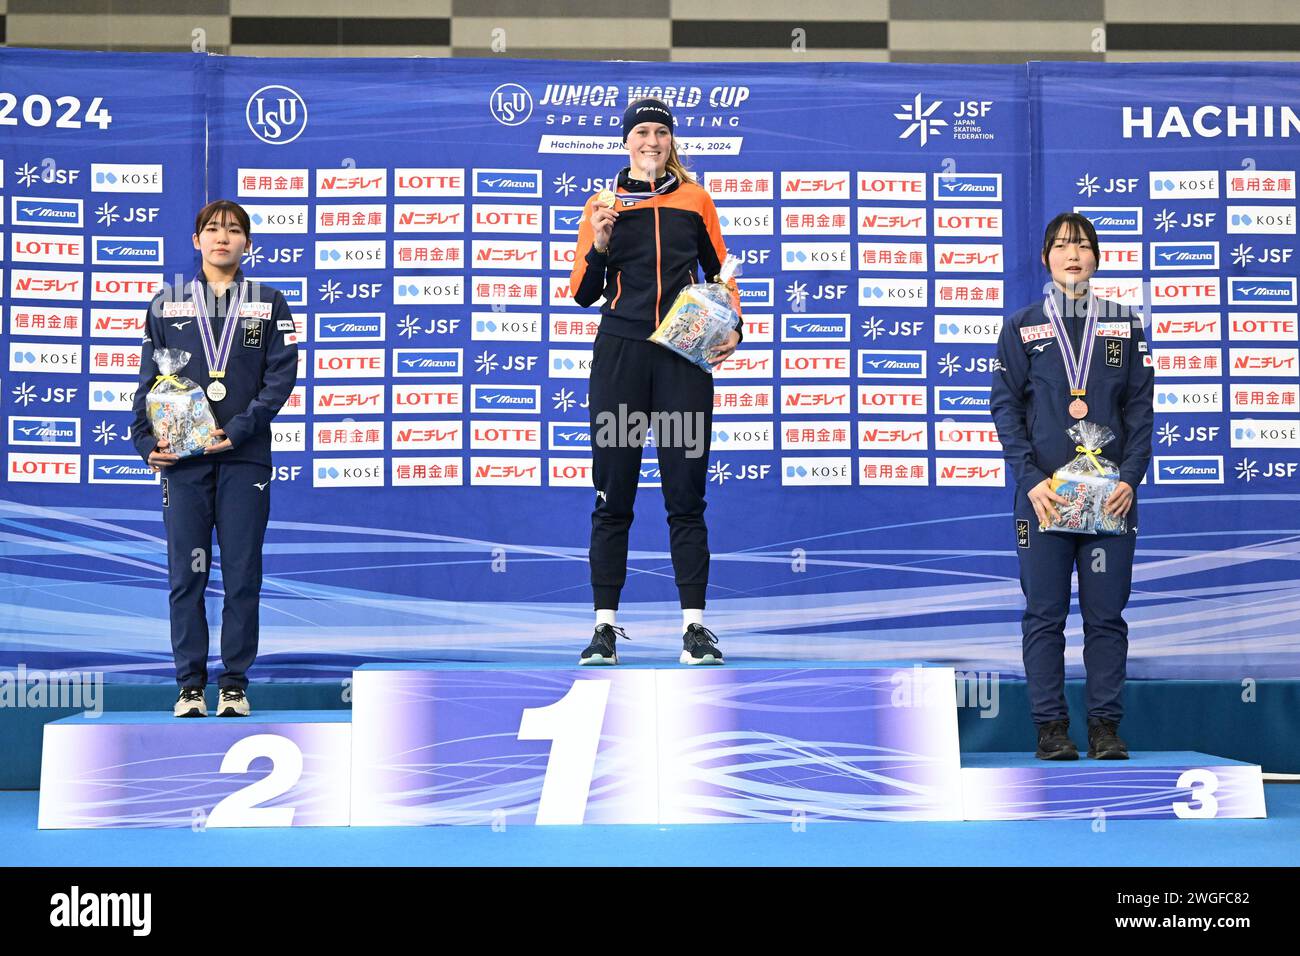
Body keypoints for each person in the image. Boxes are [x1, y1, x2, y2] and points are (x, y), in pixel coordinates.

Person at [569, 98, 743, 666]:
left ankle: (694, 628)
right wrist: (599, 242)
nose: (651, 141)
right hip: (620, 357)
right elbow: (583, 292)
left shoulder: (695, 200)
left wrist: (734, 326)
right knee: (613, 496)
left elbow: (720, 274)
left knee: (685, 496)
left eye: (660, 133)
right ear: (627, 142)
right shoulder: (601, 204)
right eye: (641, 132)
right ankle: (603, 629)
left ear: (671, 142)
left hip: (680, 359)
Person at [990, 212, 1154, 760]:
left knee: (1106, 616)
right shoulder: (1021, 327)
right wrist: (1031, 481)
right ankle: (1050, 729)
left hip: (1111, 500)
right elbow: (1005, 410)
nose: (1073, 253)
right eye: (1062, 245)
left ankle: (1105, 727)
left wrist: (1129, 480)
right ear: (1045, 258)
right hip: (1045, 501)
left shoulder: (1125, 325)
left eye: (1082, 244)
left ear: (1097, 256)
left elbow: (1140, 413)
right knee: (1045, 614)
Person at [130, 199, 298, 717]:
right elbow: (147, 383)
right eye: (211, 229)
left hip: (244, 459)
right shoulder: (167, 304)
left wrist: (239, 431)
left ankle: (234, 683)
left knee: (242, 573)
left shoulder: (269, 303)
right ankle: (188, 684)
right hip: (184, 462)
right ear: (196, 240)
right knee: (187, 574)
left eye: (233, 230)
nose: (222, 237)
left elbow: (279, 380)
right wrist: (145, 443)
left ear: (248, 242)